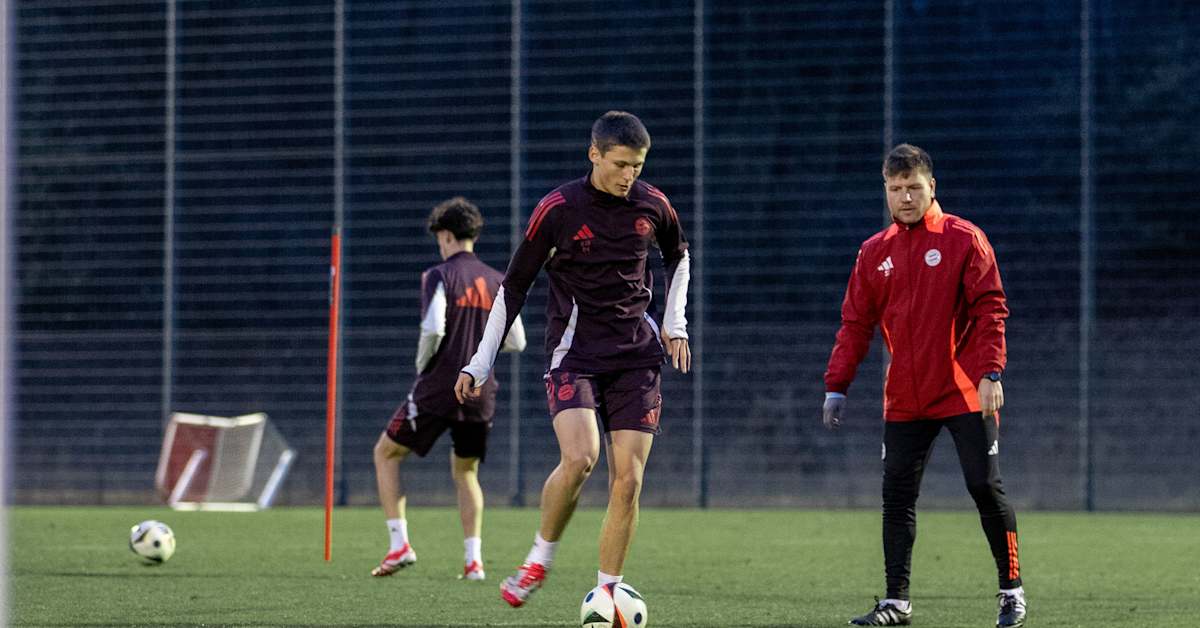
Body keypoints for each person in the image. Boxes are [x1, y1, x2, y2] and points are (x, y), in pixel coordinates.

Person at [454, 111, 692, 608]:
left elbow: (679, 255)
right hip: (574, 355)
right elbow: (513, 285)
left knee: (628, 480)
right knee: (581, 458)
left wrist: (675, 323)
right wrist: (479, 361)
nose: (630, 175)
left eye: (638, 165)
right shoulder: (558, 209)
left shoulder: (653, 204)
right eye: (621, 164)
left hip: (636, 358)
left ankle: (607, 593)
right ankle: (539, 557)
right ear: (595, 155)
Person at [822, 144, 1027, 627]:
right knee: (896, 498)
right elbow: (855, 324)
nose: (905, 197)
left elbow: (990, 309)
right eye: (896, 189)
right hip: (905, 400)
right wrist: (837, 384)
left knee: (983, 486)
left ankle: (1011, 592)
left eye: (914, 187)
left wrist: (990, 372)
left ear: (931, 187)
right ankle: (896, 602)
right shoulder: (874, 253)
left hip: (962, 390)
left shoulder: (963, 238)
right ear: (886, 192)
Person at [371, 196, 526, 581]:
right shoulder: (497, 280)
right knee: (466, 472)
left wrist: (424, 364)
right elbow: (517, 340)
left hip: (440, 385)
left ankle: (399, 544)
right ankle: (474, 561)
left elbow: (434, 328)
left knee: (386, 453)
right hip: (481, 391)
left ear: (445, 236)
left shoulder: (439, 275)